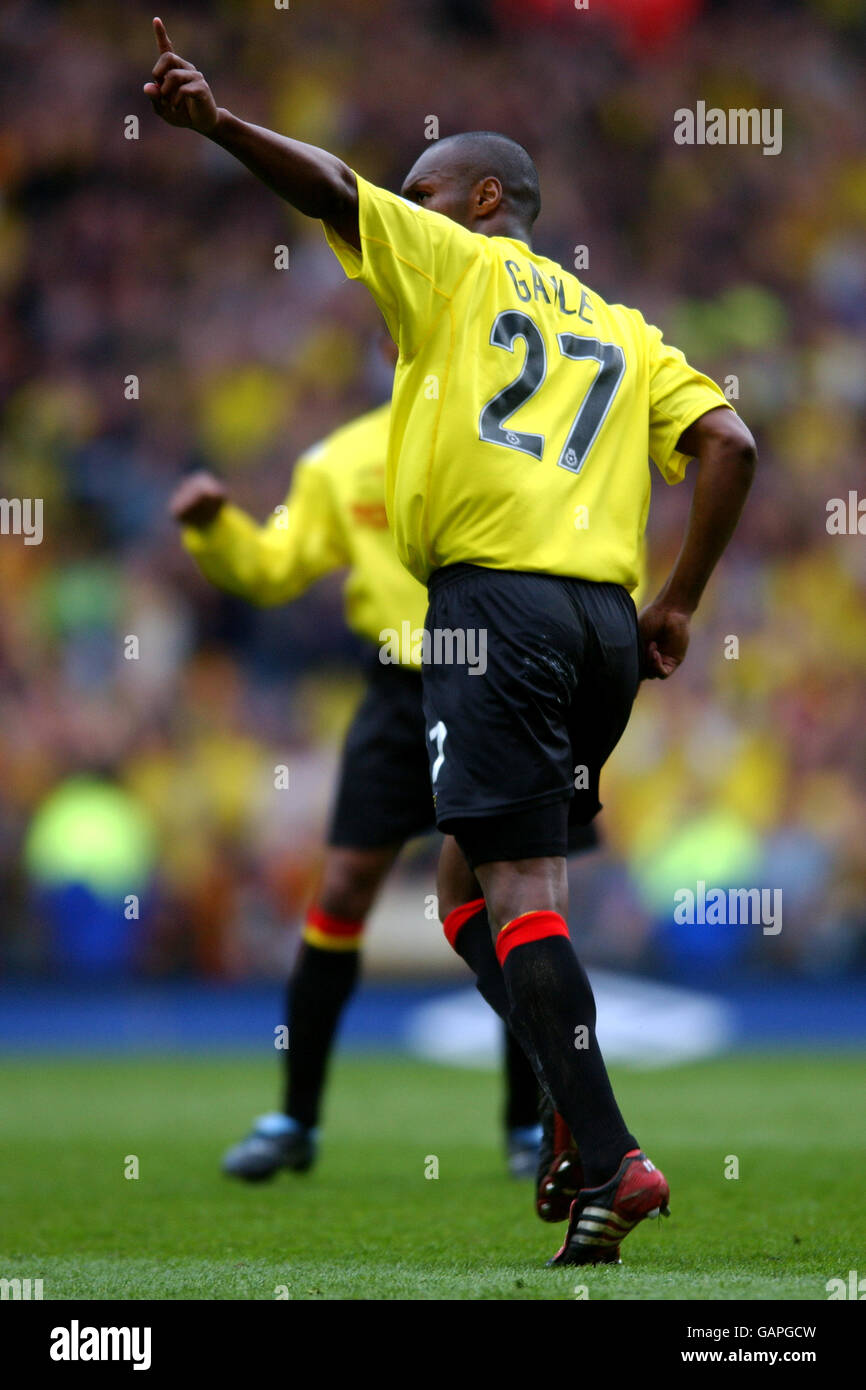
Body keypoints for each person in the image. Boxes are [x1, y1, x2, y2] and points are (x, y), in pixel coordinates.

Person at [144, 17, 757, 1265]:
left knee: (510, 893)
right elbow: (730, 444)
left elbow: (331, 185)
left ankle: (609, 1148)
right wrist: (679, 600)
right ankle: (579, 1138)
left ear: (482, 201)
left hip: (494, 613)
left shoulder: (455, 261)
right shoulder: (623, 326)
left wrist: (219, 124)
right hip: (603, 629)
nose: (399, 212)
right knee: (468, 889)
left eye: (419, 192)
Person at [170, 394, 553, 1180]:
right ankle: (295, 1120)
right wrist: (215, 529)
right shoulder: (340, 459)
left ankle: (530, 1126)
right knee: (342, 886)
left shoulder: (510, 435)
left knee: (513, 898)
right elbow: (272, 568)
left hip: (495, 684)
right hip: (398, 691)